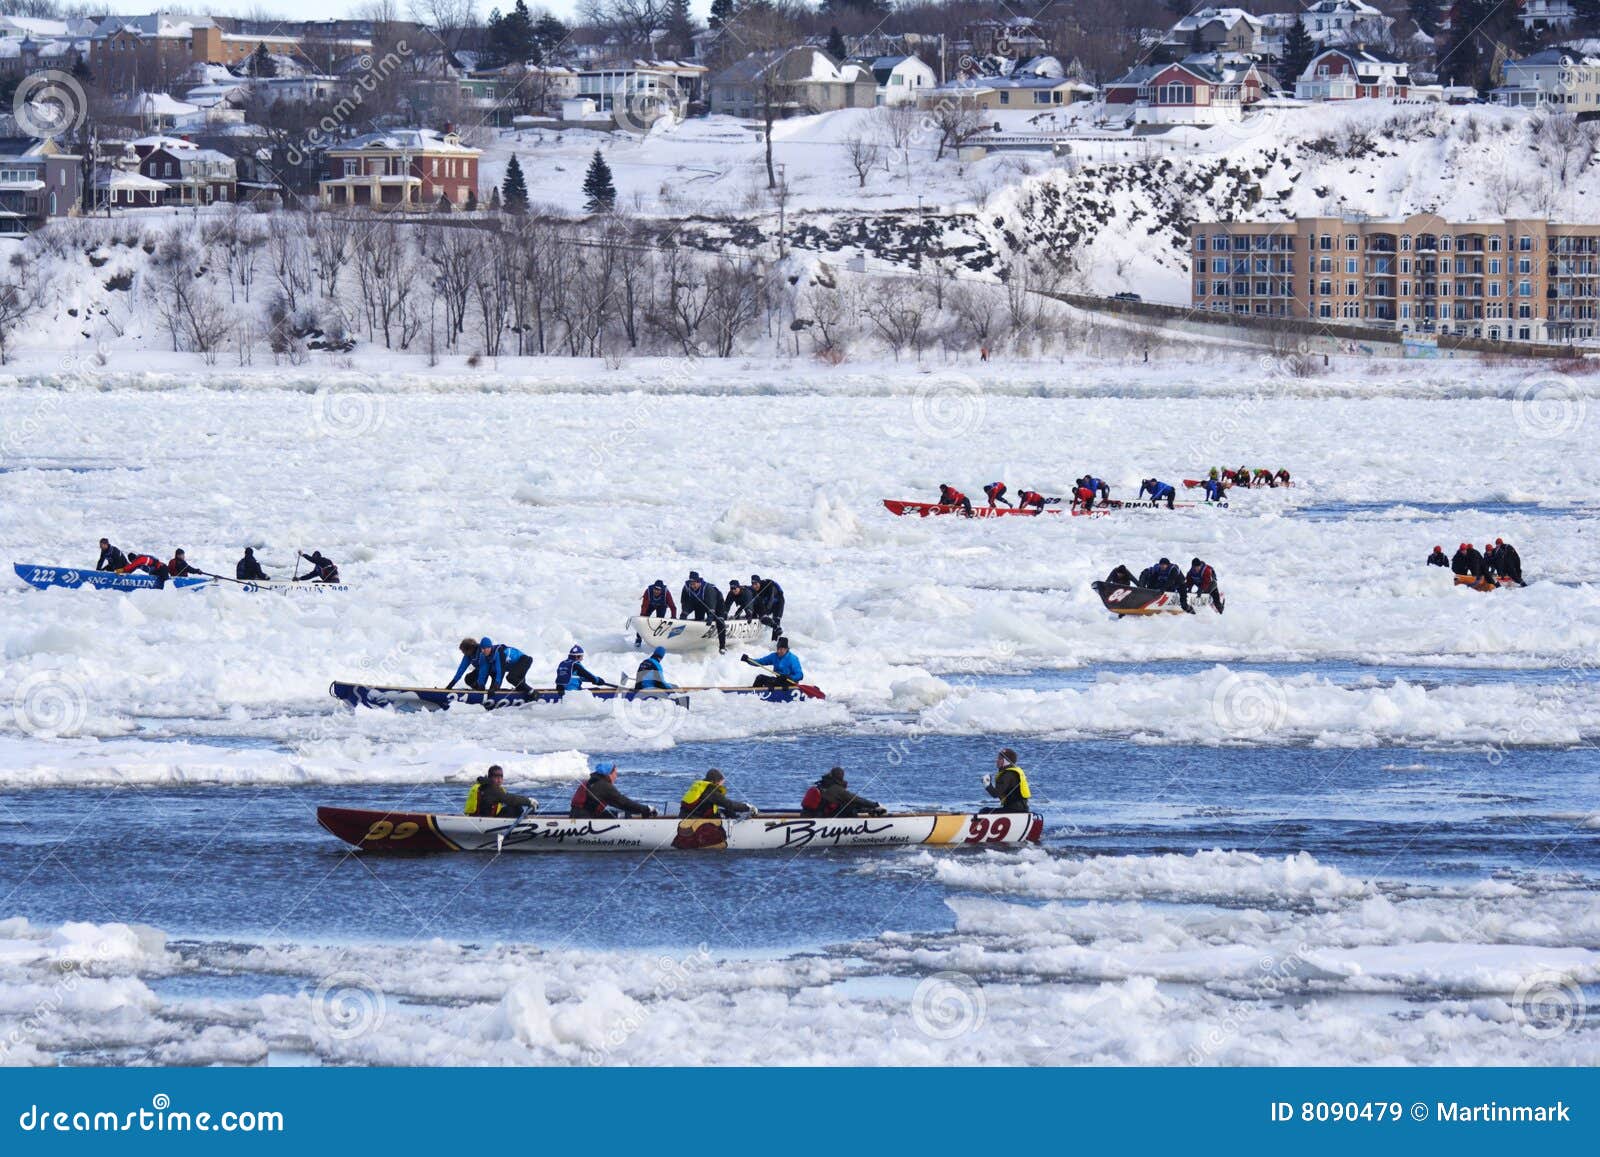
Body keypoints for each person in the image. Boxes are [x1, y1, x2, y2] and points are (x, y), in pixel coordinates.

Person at [448, 636, 533, 694]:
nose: (464, 654)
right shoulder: (470, 655)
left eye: (464, 652)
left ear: (470, 649)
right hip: (500, 668)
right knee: (469, 679)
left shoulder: (487, 653)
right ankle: (483, 689)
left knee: (512, 678)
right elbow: (461, 670)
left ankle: (532, 692)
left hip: (522, 661)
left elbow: (498, 671)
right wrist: (451, 684)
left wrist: (494, 686)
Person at [570, 761, 656, 819]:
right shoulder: (604, 786)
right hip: (585, 818)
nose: (616, 776)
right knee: (623, 815)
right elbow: (623, 803)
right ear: (609, 774)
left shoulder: (590, 781)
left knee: (619, 814)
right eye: (615, 773)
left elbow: (617, 803)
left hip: (576, 815)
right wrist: (646, 809)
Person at [800, 767, 884, 818]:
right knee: (850, 806)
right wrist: (875, 804)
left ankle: (871, 811)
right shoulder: (836, 789)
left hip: (808, 814)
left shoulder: (823, 784)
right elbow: (856, 799)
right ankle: (857, 829)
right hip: (819, 818)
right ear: (841, 777)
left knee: (847, 804)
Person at [464, 765, 536, 819]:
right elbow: (510, 799)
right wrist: (529, 801)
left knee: (515, 806)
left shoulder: (485, 785)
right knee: (515, 808)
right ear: (490, 777)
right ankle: (524, 825)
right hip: (482, 821)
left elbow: (507, 797)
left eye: (501, 776)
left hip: (484, 818)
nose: (499, 779)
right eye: (496, 776)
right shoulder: (489, 788)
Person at [679, 769, 755, 819]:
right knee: (728, 811)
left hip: (685, 815)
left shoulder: (701, 786)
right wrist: (748, 807)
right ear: (715, 781)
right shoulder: (711, 791)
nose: (722, 784)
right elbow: (729, 804)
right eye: (721, 782)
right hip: (693, 820)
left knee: (727, 812)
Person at [680, 571, 726, 651]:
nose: (692, 586)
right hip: (700, 603)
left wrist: (710, 616)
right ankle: (698, 641)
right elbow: (685, 601)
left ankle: (722, 646)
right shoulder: (687, 587)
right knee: (698, 620)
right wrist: (684, 613)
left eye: (694, 584)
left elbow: (711, 604)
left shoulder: (708, 588)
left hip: (717, 603)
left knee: (719, 621)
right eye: (691, 584)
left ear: (699, 582)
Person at [982, 748, 1032, 814]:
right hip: (1021, 809)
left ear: (1005, 761)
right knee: (986, 810)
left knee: (984, 811)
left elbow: (995, 794)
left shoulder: (1008, 774)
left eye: (999, 758)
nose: (996, 760)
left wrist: (987, 784)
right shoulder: (1012, 772)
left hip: (1015, 811)